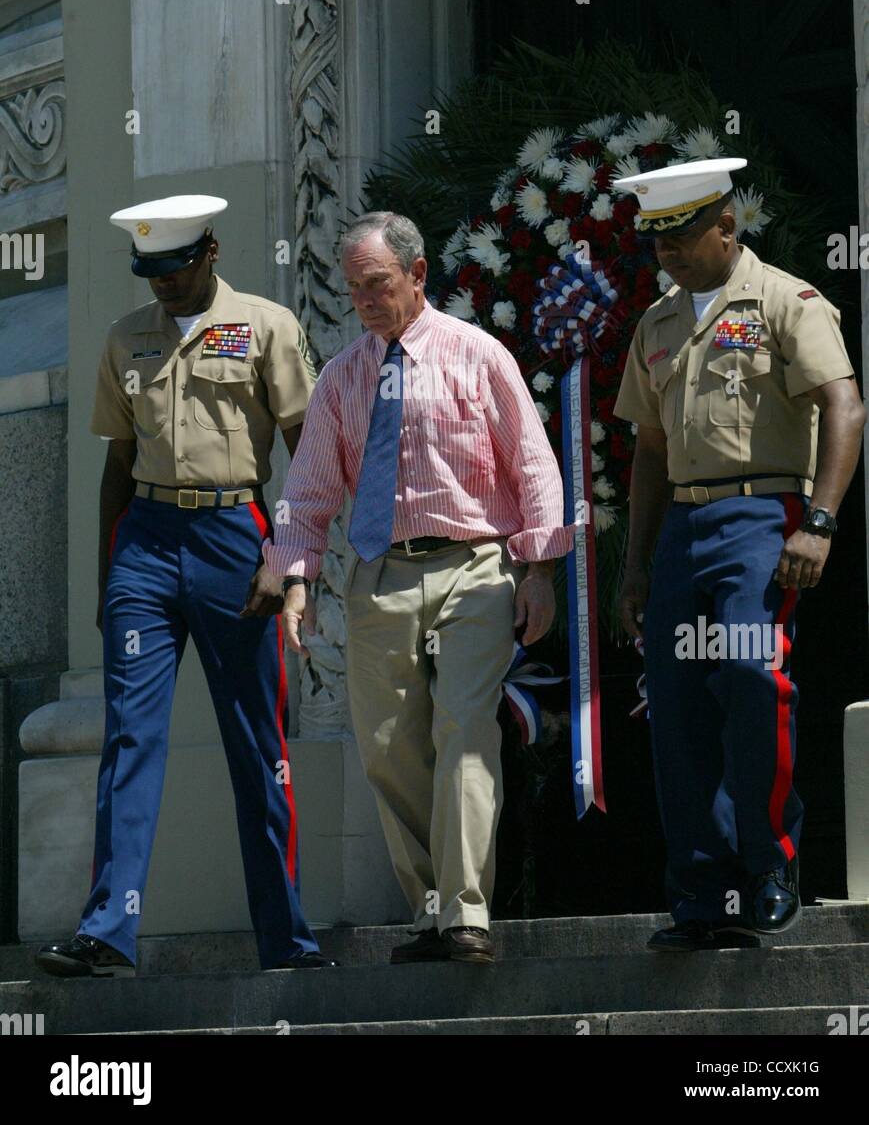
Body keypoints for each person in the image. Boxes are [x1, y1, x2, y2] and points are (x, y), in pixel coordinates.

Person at [263, 211, 574, 965]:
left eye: (378, 286)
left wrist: (538, 570)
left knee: (463, 731)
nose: (365, 302)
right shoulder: (341, 376)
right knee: (384, 750)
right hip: (380, 575)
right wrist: (295, 582)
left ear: (417, 275)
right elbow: (306, 493)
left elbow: (532, 467)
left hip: (473, 567)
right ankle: (432, 909)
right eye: (354, 291)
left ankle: (467, 914)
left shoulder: (477, 354)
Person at [36, 194, 334, 976]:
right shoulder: (123, 337)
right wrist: (111, 582)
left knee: (256, 746)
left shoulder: (267, 325)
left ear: (209, 251)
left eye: (173, 268)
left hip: (237, 537)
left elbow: (307, 453)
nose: (161, 284)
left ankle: (287, 941)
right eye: (149, 271)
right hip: (145, 541)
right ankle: (108, 933)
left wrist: (292, 564)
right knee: (131, 739)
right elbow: (115, 466)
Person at [613, 159, 865, 951]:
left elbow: (843, 405)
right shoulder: (653, 323)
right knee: (677, 708)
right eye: (656, 239)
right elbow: (648, 449)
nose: (669, 253)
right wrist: (634, 563)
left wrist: (817, 523)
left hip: (764, 514)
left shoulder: (785, 300)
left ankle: (768, 865)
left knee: (753, 678)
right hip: (683, 529)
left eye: (683, 235)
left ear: (727, 226)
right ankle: (702, 895)